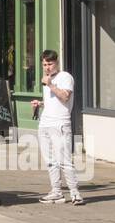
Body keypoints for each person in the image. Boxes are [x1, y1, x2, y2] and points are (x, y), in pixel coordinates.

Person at [31, 49, 83, 205]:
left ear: (57, 62)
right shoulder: (47, 79)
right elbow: (53, 102)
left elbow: (65, 97)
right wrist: (40, 104)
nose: (47, 67)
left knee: (65, 160)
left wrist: (51, 85)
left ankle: (75, 193)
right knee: (50, 160)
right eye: (44, 64)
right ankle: (56, 192)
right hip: (45, 123)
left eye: (50, 64)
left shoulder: (65, 77)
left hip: (60, 124)